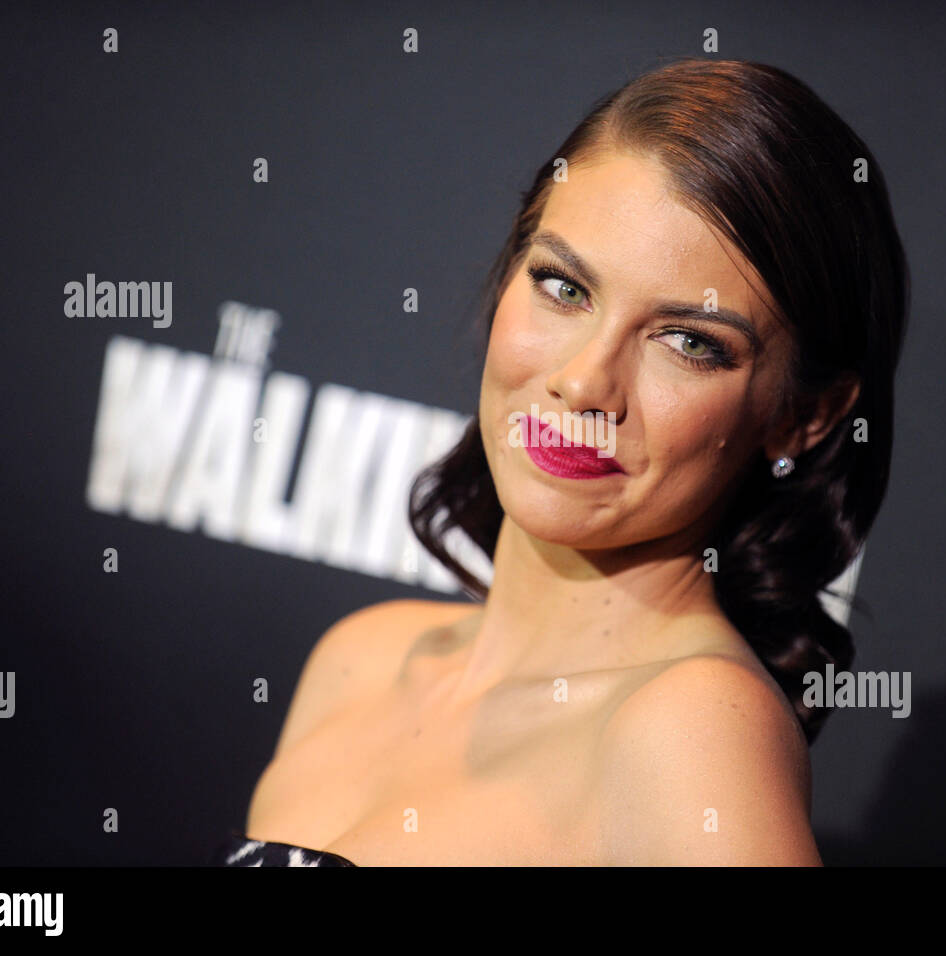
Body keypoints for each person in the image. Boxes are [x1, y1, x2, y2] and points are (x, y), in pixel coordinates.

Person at [220, 55, 909, 867]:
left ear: (803, 415)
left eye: (689, 343)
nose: (584, 380)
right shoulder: (360, 660)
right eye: (563, 286)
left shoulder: (696, 730)